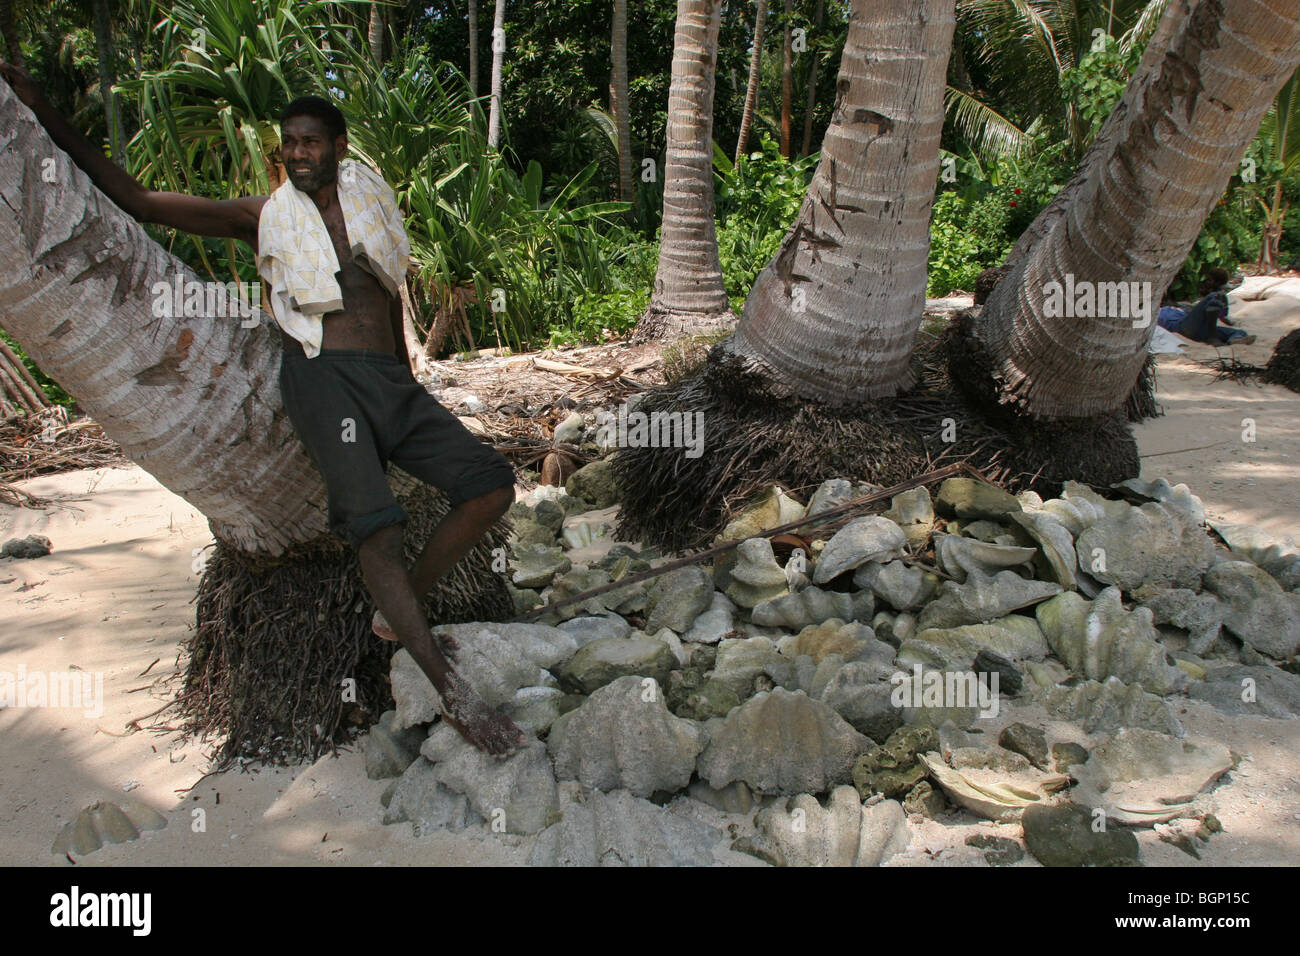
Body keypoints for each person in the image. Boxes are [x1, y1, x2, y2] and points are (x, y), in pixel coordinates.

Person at [0, 60, 527, 758]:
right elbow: (139, 199)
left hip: (390, 383)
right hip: (323, 380)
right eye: (290, 144)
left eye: (311, 141)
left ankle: (396, 617)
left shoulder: (373, 212)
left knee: (490, 484)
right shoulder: (263, 218)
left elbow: (391, 303)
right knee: (377, 529)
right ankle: (453, 697)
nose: (298, 153)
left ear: (339, 146)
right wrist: (39, 108)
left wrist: (406, 385)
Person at [1157, 267, 1256, 346]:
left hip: (1200, 330)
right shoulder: (1164, 311)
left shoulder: (1171, 309)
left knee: (1240, 332)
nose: (1206, 282)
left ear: (1216, 282)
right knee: (1215, 297)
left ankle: (1234, 340)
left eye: (1209, 280)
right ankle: (1212, 337)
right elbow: (1223, 317)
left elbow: (1222, 317)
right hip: (1184, 327)